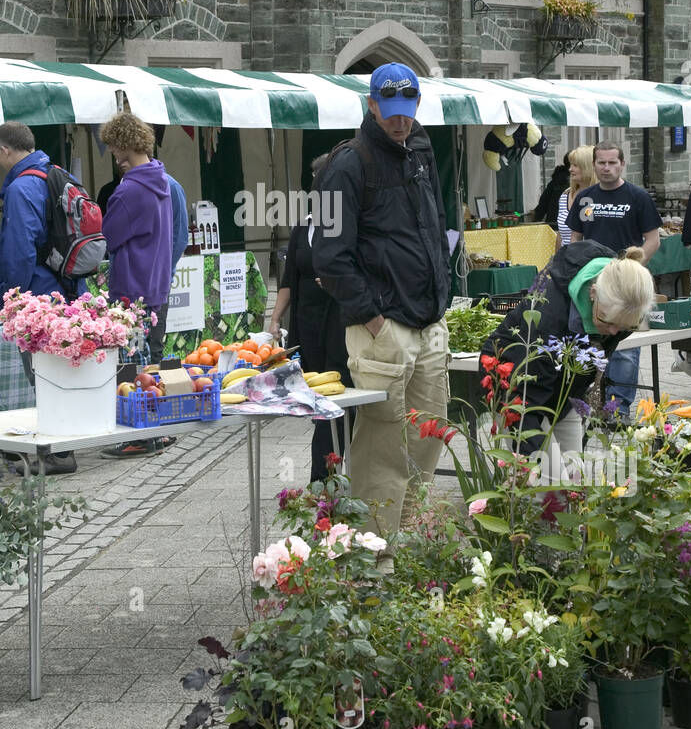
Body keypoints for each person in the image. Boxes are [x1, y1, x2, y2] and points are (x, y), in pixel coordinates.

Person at [312, 63, 451, 565]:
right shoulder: (344, 164)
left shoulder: (422, 150)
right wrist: (373, 319)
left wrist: (443, 294)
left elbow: (436, 227)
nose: (400, 122)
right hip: (383, 330)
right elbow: (327, 256)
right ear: (371, 105)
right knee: (382, 450)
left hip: (429, 322)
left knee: (429, 437)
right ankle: (370, 564)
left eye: (407, 112)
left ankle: (405, 544)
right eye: (390, 113)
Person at [480, 242, 655, 484]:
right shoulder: (547, 317)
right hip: (518, 391)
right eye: (608, 321)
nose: (613, 331)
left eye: (624, 326)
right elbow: (526, 400)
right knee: (548, 484)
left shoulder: (622, 295)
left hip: (564, 392)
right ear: (592, 293)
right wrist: (528, 458)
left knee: (575, 481)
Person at [0, 121, 85, 474]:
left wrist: (10, 301)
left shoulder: (21, 187)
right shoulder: (57, 174)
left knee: (43, 374)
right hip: (70, 288)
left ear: (4, 150)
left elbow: (18, 252)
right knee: (63, 369)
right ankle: (68, 444)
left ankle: (58, 454)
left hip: (39, 297)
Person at [269, 155, 352, 482]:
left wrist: (339, 282)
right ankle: (328, 477)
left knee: (338, 400)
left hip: (340, 321)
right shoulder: (303, 225)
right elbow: (288, 279)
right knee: (318, 402)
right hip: (308, 325)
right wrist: (275, 320)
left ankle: (325, 478)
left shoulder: (349, 222)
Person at [565, 140, 661, 418]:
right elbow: (575, 239)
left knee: (625, 349)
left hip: (626, 286)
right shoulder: (586, 198)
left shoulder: (638, 197)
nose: (606, 168)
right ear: (594, 164)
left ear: (622, 164)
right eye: (601, 163)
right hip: (593, 286)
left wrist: (632, 269)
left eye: (612, 163)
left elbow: (653, 240)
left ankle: (620, 411)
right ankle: (585, 407)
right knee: (586, 344)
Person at [98, 112, 174, 459]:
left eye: (114, 147)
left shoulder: (129, 190)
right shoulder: (163, 181)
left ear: (126, 145)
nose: (113, 155)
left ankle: (139, 435)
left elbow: (109, 236)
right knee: (148, 364)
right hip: (155, 284)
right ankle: (155, 430)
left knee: (129, 367)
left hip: (130, 287)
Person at [554, 145, 595, 251]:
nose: (570, 169)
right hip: (567, 260)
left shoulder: (597, 197)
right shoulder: (565, 195)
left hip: (589, 260)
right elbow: (560, 235)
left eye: (576, 165)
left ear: (588, 167)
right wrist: (556, 260)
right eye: (571, 165)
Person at [532, 153, 570, 230]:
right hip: (561, 225)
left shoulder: (555, 181)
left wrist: (537, 219)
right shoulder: (564, 182)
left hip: (553, 224)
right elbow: (544, 202)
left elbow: (543, 202)